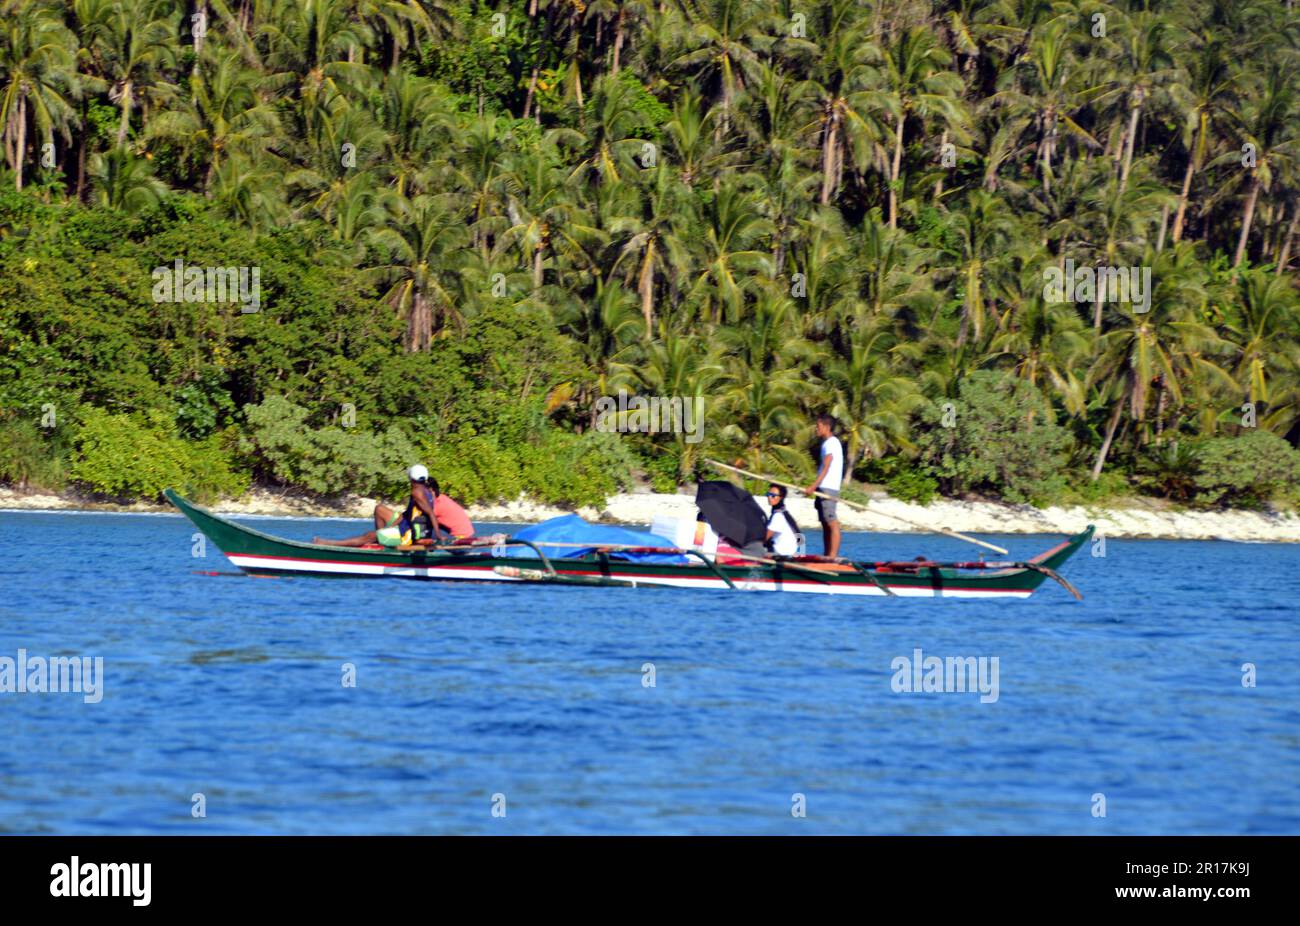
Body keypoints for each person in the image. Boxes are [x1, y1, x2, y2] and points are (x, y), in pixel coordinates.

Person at [313, 465, 475, 547]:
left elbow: (431, 515)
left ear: (410, 477)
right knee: (375, 531)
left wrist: (438, 536)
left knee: (369, 536)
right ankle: (380, 540)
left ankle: (329, 544)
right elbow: (412, 515)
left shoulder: (418, 493)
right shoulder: (424, 491)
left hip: (406, 536)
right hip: (407, 531)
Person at [805, 413, 843, 558]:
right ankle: (827, 554)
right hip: (823, 487)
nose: (816, 429)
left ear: (827, 427)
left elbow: (827, 466)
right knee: (824, 522)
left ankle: (832, 557)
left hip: (828, 488)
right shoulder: (827, 443)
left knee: (831, 521)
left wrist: (813, 486)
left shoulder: (832, 443)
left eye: (818, 426)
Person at [764, 484, 800, 557]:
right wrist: (800, 552)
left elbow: (765, 538)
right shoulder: (785, 513)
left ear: (781, 498)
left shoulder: (778, 516)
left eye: (773, 495)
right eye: (768, 494)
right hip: (790, 553)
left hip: (782, 555)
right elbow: (801, 538)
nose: (769, 497)